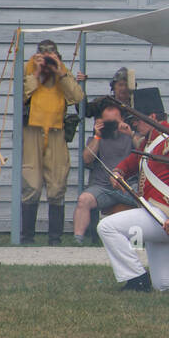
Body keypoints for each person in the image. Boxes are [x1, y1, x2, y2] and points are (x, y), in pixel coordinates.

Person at [98, 88, 169, 292]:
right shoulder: (149, 142)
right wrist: (118, 171)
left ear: (152, 117)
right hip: (157, 217)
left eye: (137, 120)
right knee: (164, 285)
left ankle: (136, 279)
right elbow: (131, 162)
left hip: (167, 217)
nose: (134, 124)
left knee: (107, 226)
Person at [22, 38, 86, 245]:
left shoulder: (62, 71)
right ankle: (27, 238)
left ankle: (55, 239)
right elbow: (19, 96)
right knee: (31, 184)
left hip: (57, 132)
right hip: (32, 131)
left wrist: (61, 72)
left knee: (57, 185)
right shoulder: (29, 69)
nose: (48, 60)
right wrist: (37, 72)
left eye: (52, 56)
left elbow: (77, 97)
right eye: (44, 55)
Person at [72, 98, 135, 244]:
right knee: (83, 200)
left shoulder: (131, 136)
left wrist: (130, 134)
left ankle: (137, 243)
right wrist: (97, 135)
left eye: (115, 122)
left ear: (123, 119)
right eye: (108, 122)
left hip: (128, 186)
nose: (112, 126)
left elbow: (144, 152)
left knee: (142, 203)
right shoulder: (96, 138)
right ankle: (77, 240)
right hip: (102, 187)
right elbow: (87, 159)